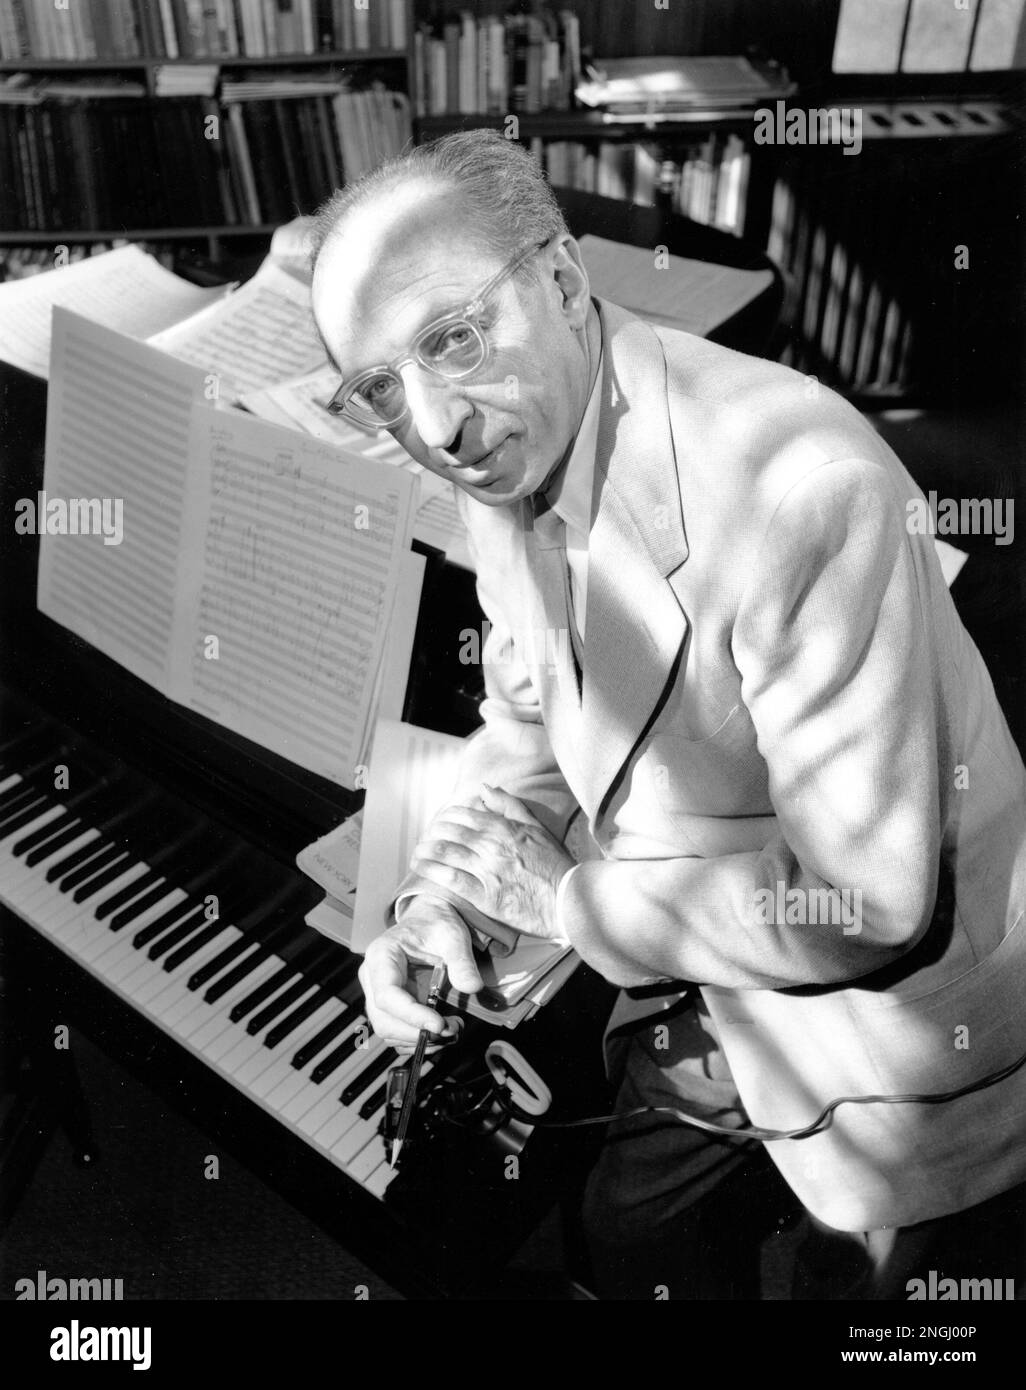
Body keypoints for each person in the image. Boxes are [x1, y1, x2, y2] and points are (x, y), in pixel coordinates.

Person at [309, 130, 1026, 1299]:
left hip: (889, 1033)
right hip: (701, 952)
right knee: (628, 1237)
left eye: (453, 338)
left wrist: (563, 901)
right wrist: (441, 899)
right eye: (384, 388)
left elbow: (870, 904)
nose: (435, 427)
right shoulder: (509, 455)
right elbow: (528, 733)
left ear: (561, 283)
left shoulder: (806, 491)